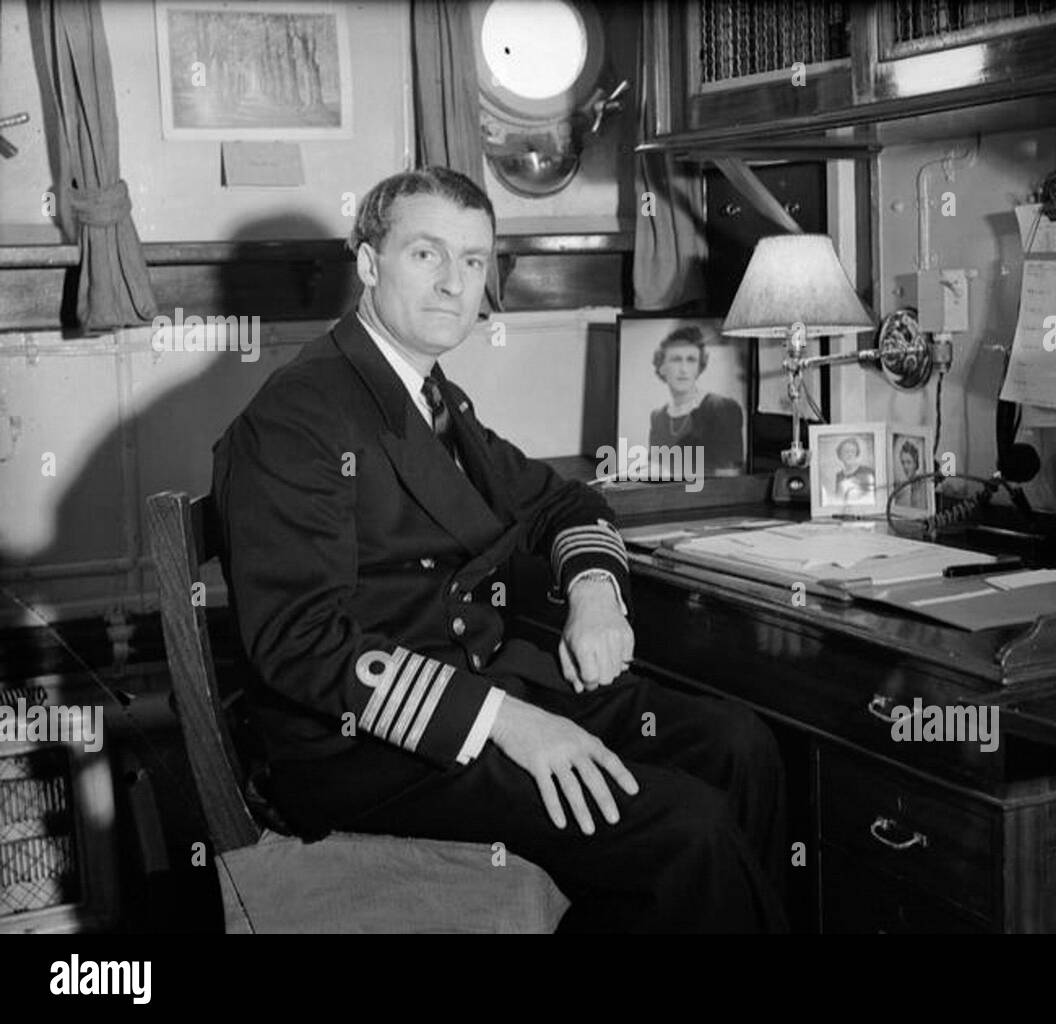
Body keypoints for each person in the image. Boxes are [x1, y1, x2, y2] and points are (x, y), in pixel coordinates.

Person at [210, 168, 786, 933]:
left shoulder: (428, 393)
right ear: (370, 264)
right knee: (687, 831)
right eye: (427, 255)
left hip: (480, 686)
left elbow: (562, 501)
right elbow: (300, 643)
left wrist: (593, 593)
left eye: (475, 261)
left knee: (739, 746)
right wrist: (506, 721)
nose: (456, 284)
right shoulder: (299, 414)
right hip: (368, 751)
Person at [647, 326, 744, 475]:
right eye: (676, 360)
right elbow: (655, 472)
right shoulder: (658, 417)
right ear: (662, 367)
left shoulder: (720, 407)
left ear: (699, 367)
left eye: (691, 360)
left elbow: (731, 474)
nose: (683, 369)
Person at [825, 436, 874, 505]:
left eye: (852, 451)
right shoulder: (839, 476)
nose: (849, 454)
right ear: (840, 456)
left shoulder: (867, 472)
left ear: (857, 454)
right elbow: (839, 500)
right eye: (846, 452)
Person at [894, 437, 927, 510]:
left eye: (909, 462)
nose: (905, 467)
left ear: (915, 463)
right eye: (903, 462)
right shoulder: (911, 483)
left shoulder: (920, 484)